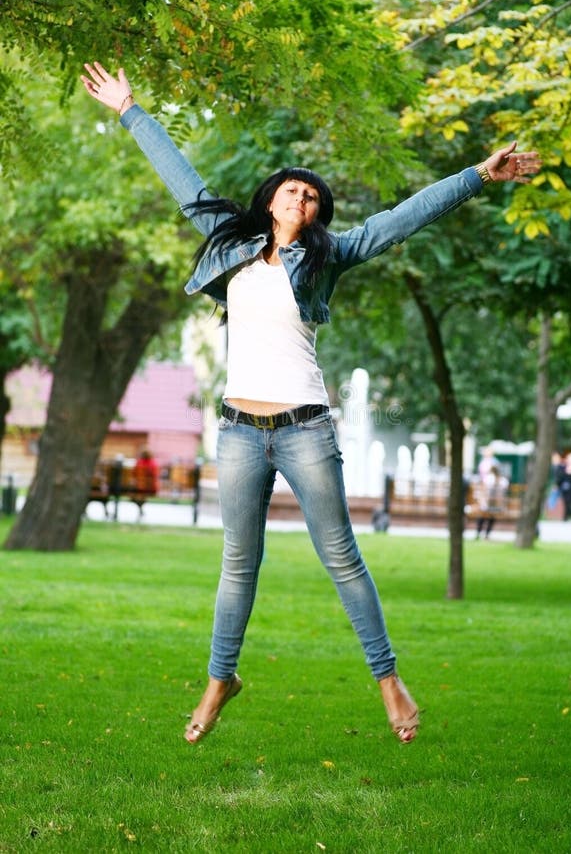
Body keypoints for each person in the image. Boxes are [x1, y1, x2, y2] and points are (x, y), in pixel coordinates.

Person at [80, 61, 542, 747]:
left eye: (311, 195)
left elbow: (400, 219)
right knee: (238, 563)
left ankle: (388, 681)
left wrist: (478, 174)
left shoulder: (329, 255)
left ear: (317, 213)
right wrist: (130, 109)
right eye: (291, 190)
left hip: (304, 429)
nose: (301, 198)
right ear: (271, 200)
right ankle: (219, 679)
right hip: (239, 431)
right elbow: (183, 180)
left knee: (344, 559)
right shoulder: (233, 246)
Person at [474, 465, 509, 540]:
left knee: (483, 516)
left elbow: (484, 489)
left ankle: (479, 533)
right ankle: (486, 534)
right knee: (490, 517)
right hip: (495, 503)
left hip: (489, 502)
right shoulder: (502, 480)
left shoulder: (489, 478)